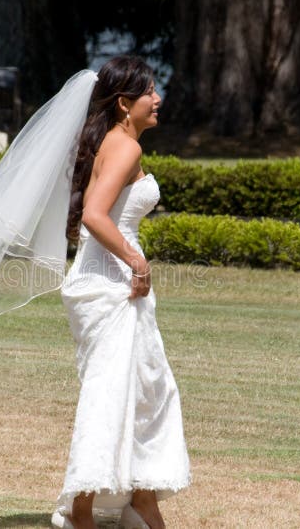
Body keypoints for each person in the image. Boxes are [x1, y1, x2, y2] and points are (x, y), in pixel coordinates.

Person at [51, 56, 190, 529]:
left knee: (146, 388)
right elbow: (94, 215)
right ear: (125, 104)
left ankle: (142, 498)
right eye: (150, 92)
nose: (158, 99)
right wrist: (137, 261)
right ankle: (83, 510)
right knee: (111, 394)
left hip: (107, 278)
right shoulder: (124, 147)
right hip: (112, 281)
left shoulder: (117, 141)